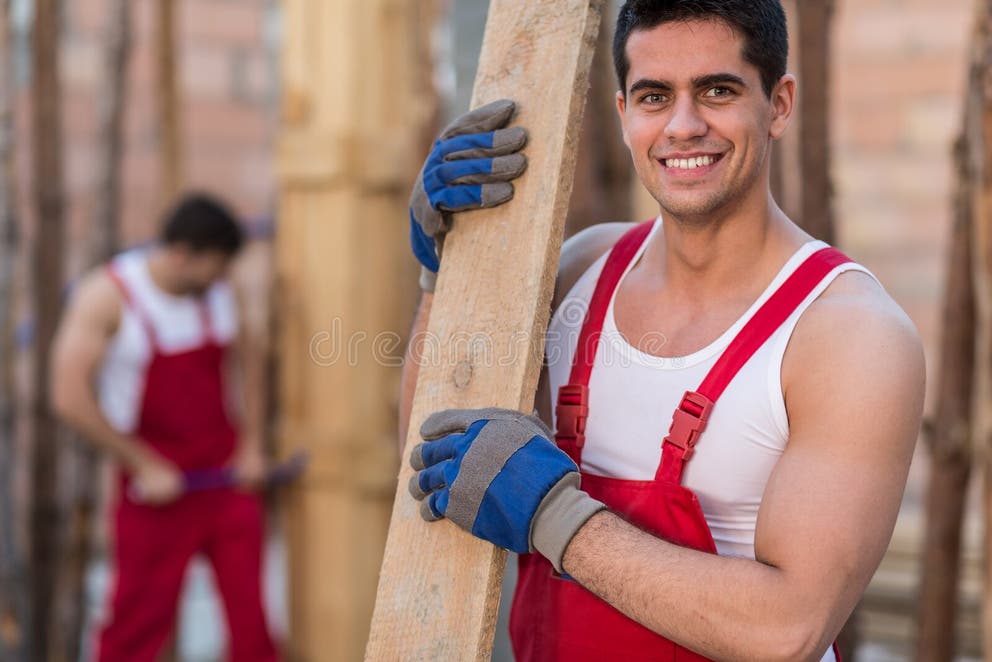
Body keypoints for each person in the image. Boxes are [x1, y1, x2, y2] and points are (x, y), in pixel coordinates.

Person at [400, 1, 925, 660]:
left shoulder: (848, 336)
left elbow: (789, 629)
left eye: (718, 90)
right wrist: (440, 281)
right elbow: (436, 464)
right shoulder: (581, 272)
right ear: (624, 114)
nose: (684, 125)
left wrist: (554, 517)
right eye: (655, 96)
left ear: (780, 104)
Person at [51, 193, 278, 661]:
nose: (221, 276)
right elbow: (67, 396)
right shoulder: (107, 297)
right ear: (182, 254)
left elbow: (251, 358)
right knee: (134, 628)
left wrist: (252, 445)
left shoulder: (221, 285)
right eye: (215, 266)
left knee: (252, 628)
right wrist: (142, 463)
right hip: (153, 490)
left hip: (225, 477)